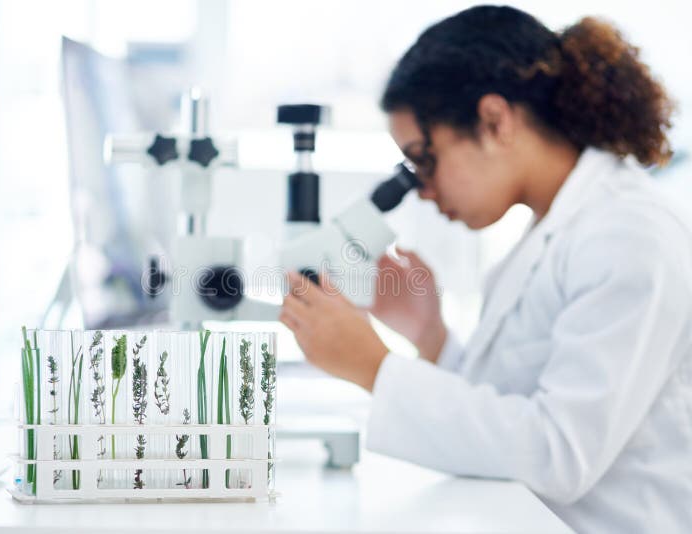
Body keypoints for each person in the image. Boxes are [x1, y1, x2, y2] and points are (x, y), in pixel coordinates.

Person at [279, 5, 691, 533]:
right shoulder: (554, 227)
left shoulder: (630, 234)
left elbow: (557, 454)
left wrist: (373, 366)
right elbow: (503, 416)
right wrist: (430, 335)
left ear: (495, 120)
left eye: (424, 160)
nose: (422, 192)